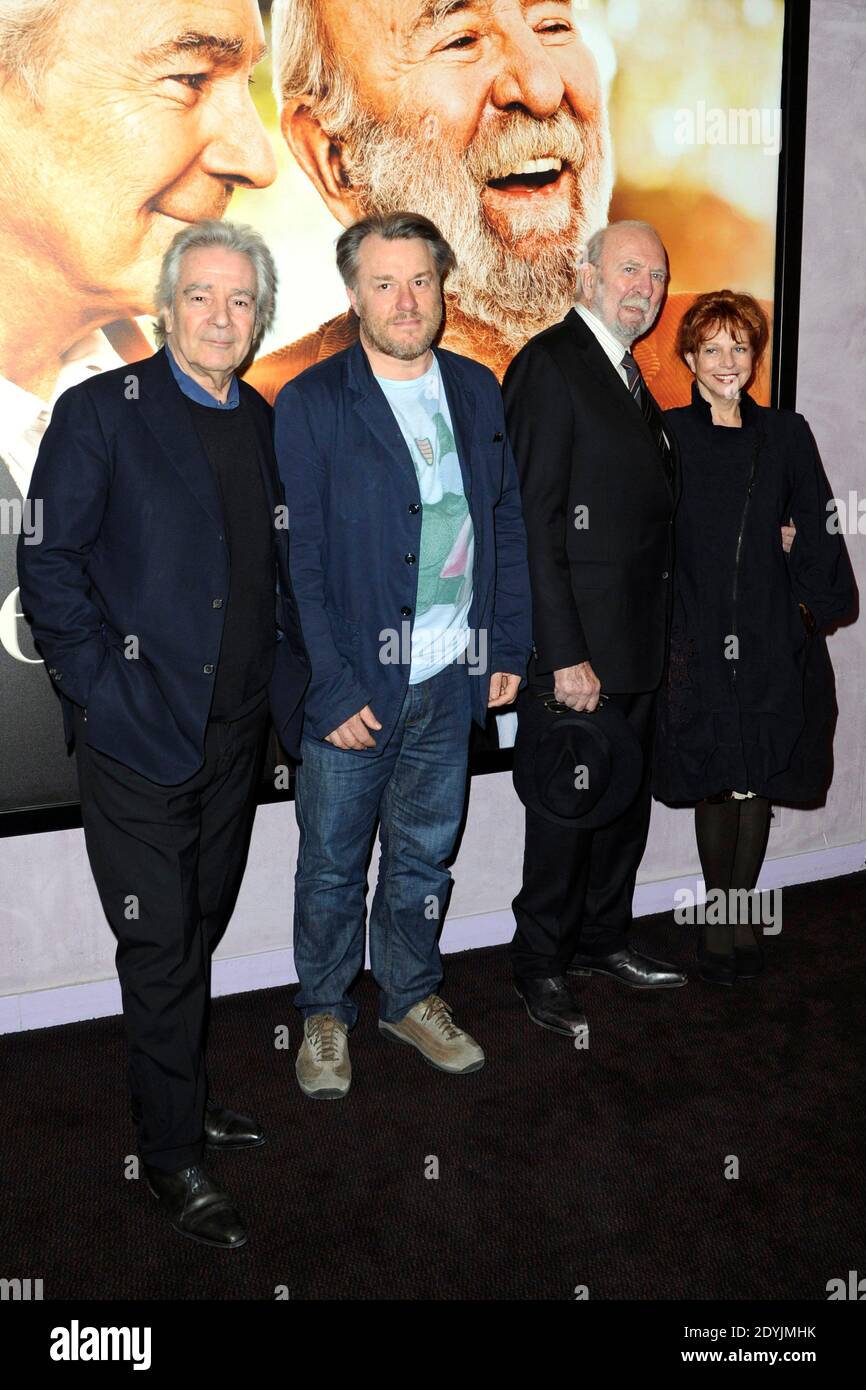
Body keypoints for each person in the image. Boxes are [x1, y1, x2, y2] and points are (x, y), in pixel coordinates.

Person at [17, 220, 309, 1248]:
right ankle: (173, 1156)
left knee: (195, 932)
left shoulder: (266, 423)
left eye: (240, 301)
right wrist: (99, 688)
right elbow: (47, 561)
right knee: (159, 948)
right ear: (165, 307)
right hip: (136, 739)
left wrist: (286, 706)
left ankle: (180, 1102)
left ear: (258, 314)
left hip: (232, 744)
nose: (222, 318)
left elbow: (271, 588)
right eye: (201, 297)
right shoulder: (103, 412)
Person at [274, 211, 531, 1098]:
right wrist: (331, 688)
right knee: (333, 864)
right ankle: (321, 1015)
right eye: (383, 283)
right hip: (353, 691)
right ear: (353, 295)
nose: (405, 300)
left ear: (443, 286)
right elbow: (297, 560)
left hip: (448, 681)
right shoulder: (310, 403)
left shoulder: (476, 388)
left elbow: (503, 520)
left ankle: (411, 996)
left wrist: (505, 643)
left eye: (420, 280)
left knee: (426, 857)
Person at [0, 0, 277, 812]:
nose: (256, 159)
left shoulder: (231, 399)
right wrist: (106, 699)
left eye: (247, 84)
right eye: (189, 78)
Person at [246, 0, 754, 406]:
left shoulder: (751, 363)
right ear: (336, 161)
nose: (542, 86)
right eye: (460, 40)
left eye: (552, 25)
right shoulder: (267, 419)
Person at [502, 220, 686, 1039]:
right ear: (585, 277)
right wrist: (564, 653)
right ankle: (539, 964)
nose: (642, 288)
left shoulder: (631, 378)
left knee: (623, 812)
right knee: (567, 816)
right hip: (581, 659)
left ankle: (604, 939)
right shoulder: (550, 366)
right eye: (628, 270)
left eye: (656, 276)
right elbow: (532, 526)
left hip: (638, 651)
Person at [653, 290, 854, 985]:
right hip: (697, 632)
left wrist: (801, 573)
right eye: (712, 347)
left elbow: (821, 524)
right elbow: (647, 533)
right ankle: (717, 920)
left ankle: (742, 914)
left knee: (755, 780)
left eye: (740, 346)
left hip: (769, 634)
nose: (727, 361)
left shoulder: (787, 434)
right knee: (717, 777)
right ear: (689, 358)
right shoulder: (668, 435)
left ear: (755, 357)